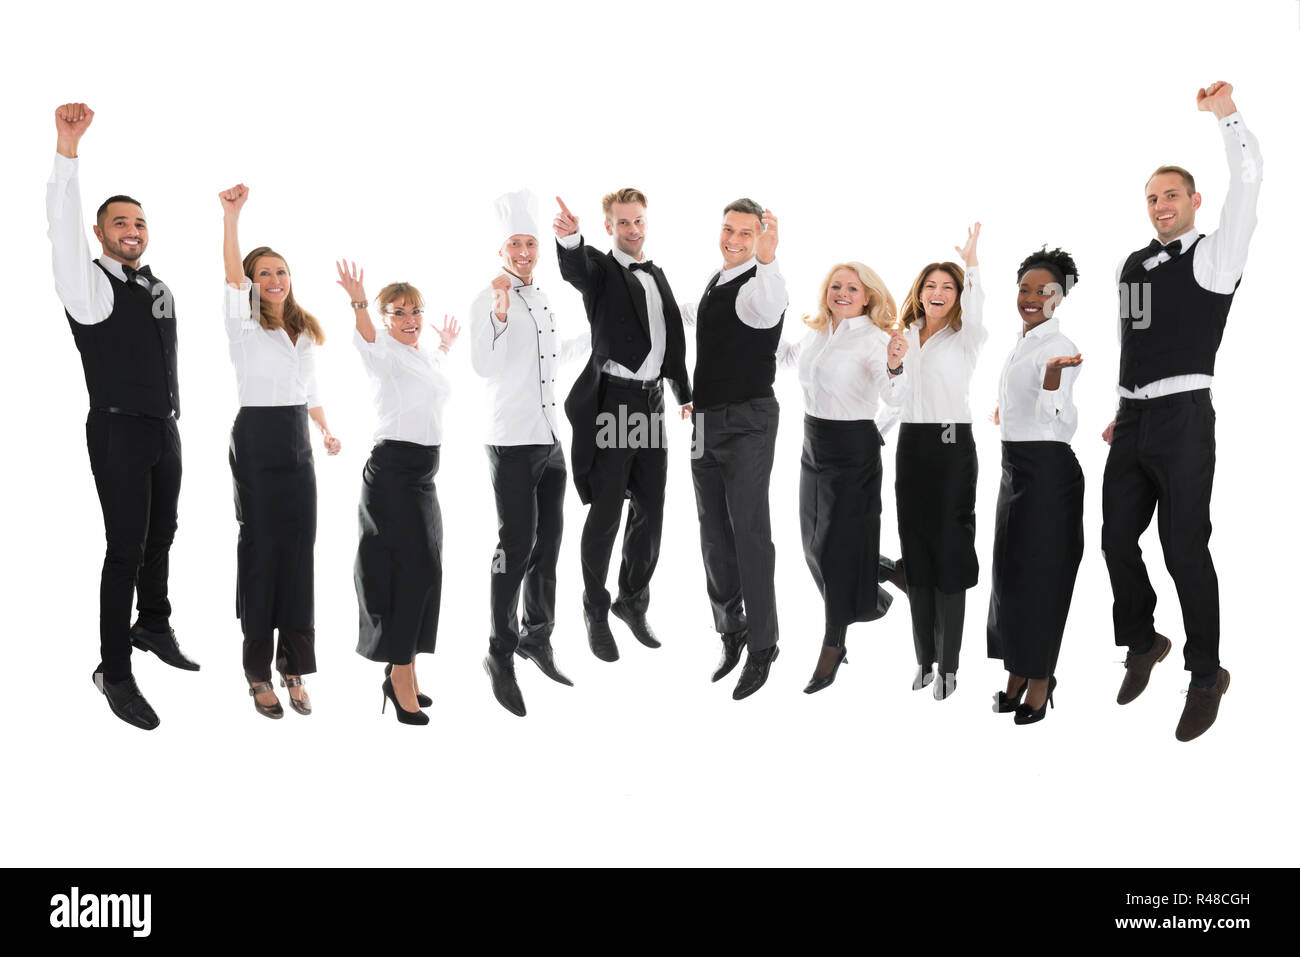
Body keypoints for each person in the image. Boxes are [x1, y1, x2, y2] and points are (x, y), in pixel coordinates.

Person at [1101, 81, 1260, 742]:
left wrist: (1226, 115)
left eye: (1171, 195)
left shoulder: (1215, 255)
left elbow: (1249, 184)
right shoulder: (1133, 264)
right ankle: (1142, 640)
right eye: (1152, 198)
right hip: (1133, 420)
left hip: (1186, 418)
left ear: (1193, 202)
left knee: (1183, 547)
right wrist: (1120, 405)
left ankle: (1205, 671)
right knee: (1114, 537)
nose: (1160, 205)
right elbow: (1133, 340)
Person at [47, 103, 198, 730]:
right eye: (119, 223)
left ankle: (153, 624)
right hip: (117, 429)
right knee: (124, 551)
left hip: (164, 427)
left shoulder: (152, 284)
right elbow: (61, 228)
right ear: (100, 231)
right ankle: (113, 671)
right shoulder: (88, 285)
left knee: (163, 534)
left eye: (139, 222)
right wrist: (67, 149)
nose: (132, 230)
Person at [553, 189, 692, 663]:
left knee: (651, 510)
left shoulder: (656, 274)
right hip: (615, 404)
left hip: (650, 403)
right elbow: (576, 270)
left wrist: (683, 394)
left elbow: (670, 337)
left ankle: (632, 599)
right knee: (608, 510)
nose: (633, 230)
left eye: (639, 221)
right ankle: (595, 608)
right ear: (609, 227)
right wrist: (571, 239)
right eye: (623, 223)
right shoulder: (600, 269)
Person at [219, 183, 341, 719]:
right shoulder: (245, 324)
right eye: (262, 273)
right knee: (262, 548)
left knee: (299, 551)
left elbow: (310, 390)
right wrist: (231, 218)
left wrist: (326, 430)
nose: (273, 280)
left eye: (280, 271)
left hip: (297, 441)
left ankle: (295, 664)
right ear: (251, 282)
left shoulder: (303, 329)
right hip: (257, 439)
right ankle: (257, 670)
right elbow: (230, 275)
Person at [470, 189, 589, 717]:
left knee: (549, 546)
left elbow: (551, 358)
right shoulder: (487, 297)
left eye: (530, 243)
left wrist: (599, 339)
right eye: (514, 243)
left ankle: (536, 636)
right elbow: (484, 367)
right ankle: (499, 651)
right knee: (514, 547)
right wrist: (497, 312)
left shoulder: (543, 299)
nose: (523, 251)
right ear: (500, 250)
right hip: (512, 441)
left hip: (549, 437)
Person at [336, 261, 458, 726]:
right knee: (410, 571)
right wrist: (359, 300)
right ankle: (400, 675)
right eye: (400, 312)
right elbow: (366, 334)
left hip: (425, 476)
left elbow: (437, 370)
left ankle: (403, 665)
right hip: (392, 475)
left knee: (428, 570)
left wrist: (445, 342)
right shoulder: (381, 349)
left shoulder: (423, 354)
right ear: (386, 318)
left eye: (416, 311)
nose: (410, 320)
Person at [780, 263, 908, 693]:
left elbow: (895, 398)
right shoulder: (817, 331)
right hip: (813, 444)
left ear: (868, 296)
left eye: (853, 287)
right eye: (836, 285)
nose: (842, 292)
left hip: (853, 450)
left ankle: (834, 642)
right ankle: (886, 570)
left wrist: (894, 366)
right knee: (812, 545)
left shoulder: (875, 340)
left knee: (834, 553)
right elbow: (785, 359)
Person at [686, 199, 788, 700]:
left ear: (759, 238)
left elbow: (768, 307)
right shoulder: (715, 279)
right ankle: (732, 629)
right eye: (729, 229)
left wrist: (767, 258)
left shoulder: (763, 284)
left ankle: (764, 645)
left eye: (746, 234)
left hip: (747, 421)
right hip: (705, 421)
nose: (734, 239)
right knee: (712, 534)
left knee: (749, 533)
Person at [881, 226, 986, 701]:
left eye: (948, 287)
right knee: (917, 553)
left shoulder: (968, 336)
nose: (938, 293)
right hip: (913, 445)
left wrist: (972, 265)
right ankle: (923, 661)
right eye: (931, 286)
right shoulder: (903, 336)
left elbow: (979, 303)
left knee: (950, 553)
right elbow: (895, 397)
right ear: (919, 294)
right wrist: (896, 366)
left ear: (958, 295)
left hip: (952, 444)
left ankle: (950, 665)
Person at [987, 248, 1084, 726]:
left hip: (1048, 475)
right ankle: (1018, 670)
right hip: (1014, 468)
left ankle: (1041, 678)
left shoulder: (1056, 347)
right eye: (1024, 288)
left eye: (1042, 291)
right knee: (1009, 575)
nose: (1030, 297)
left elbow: (1058, 418)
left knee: (1042, 579)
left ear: (1059, 297)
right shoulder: (1022, 341)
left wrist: (1050, 382)